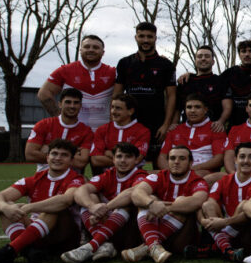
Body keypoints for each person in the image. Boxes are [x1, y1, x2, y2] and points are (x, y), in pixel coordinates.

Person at [0, 139, 85, 263]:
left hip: (64, 237)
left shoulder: (77, 179)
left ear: (72, 161)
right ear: (47, 157)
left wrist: (29, 207)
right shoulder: (34, 179)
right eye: (54, 154)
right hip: (37, 234)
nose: (58, 158)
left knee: (55, 208)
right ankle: (28, 250)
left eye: (64, 155)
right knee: (6, 205)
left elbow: (65, 200)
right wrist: (5, 207)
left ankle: (11, 250)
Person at [61, 142, 148, 263]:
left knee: (127, 203)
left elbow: (132, 193)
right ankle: (104, 244)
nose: (123, 160)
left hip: (129, 232)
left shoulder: (141, 175)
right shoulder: (108, 175)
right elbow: (81, 191)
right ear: (113, 159)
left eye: (128, 157)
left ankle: (90, 246)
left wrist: (105, 208)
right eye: (119, 156)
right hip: (107, 226)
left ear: (136, 160)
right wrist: (92, 206)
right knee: (88, 198)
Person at [123, 145, 209, 263]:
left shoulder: (197, 181)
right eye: (172, 158)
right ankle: (155, 248)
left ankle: (148, 246)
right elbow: (136, 193)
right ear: (168, 161)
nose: (176, 162)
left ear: (190, 163)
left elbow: (197, 201)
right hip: (154, 226)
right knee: (147, 199)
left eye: (182, 159)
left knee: (182, 202)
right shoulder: (159, 176)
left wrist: (166, 208)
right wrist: (151, 203)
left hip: (180, 239)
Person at [195, 142, 251, 263]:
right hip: (223, 226)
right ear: (235, 159)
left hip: (245, 232)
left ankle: (216, 245)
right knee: (208, 204)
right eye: (242, 156)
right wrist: (203, 220)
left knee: (245, 205)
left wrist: (224, 222)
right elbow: (208, 204)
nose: (246, 161)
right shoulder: (224, 180)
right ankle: (226, 249)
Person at [114, 21, 177, 161]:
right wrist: (114, 121)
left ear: (155, 38)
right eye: (141, 36)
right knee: (125, 160)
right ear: (136, 37)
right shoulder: (124, 63)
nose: (145, 40)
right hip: (130, 122)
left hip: (156, 123)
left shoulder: (165, 65)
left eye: (149, 36)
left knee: (159, 163)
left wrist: (166, 124)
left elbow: (172, 96)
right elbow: (117, 95)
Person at [37, 34, 115, 130]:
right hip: (73, 131)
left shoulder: (113, 72)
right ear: (80, 50)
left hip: (105, 132)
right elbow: (43, 94)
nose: (91, 50)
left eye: (95, 47)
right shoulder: (65, 70)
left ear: (103, 52)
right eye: (87, 47)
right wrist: (60, 118)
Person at [157, 94, 227, 182]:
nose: (192, 111)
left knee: (200, 176)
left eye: (197, 107)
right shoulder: (175, 130)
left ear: (205, 110)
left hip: (202, 172)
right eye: (189, 107)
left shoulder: (216, 129)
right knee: (149, 175)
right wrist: (172, 171)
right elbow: (161, 158)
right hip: (175, 171)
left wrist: (189, 169)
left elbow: (218, 160)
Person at [26, 87, 93, 172]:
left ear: (80, 106)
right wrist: (71, 153)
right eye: (68, 102)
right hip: (44, 175)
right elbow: (30, 155)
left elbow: (81, 163)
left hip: (72, 178)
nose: (72, 106)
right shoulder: (43, 125)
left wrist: (49, 151)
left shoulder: (86, 131)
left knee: (86, 183)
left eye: (76, 103)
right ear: (60, 104)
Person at [89, 94, 151, 171]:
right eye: (112, 107)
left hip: (133, 177)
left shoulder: (143, 131)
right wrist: (127, 159)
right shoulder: (102, 129)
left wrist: (108, 153)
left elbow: (137, 159)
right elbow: (95, 160)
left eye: (118, 108)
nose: (113, 111)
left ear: (130, 111)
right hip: (106, 176)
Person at [176, 45, 230, 130]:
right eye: (199, 56)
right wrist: (174, 123)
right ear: (195, 60)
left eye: (207, 56)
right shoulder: (185, 81)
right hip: (187, 129)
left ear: (213, 62)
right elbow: (177, 108)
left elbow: (227, 106)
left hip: (212, 129)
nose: (203, 58)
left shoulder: (221, 81)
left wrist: (221, 122)